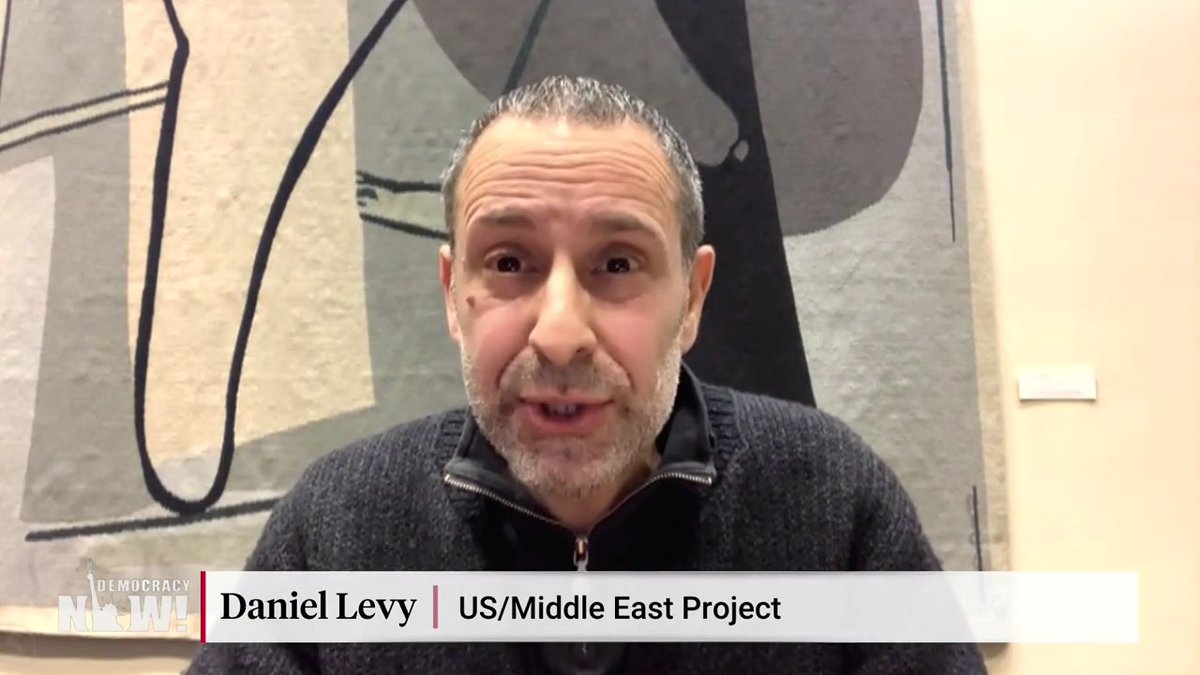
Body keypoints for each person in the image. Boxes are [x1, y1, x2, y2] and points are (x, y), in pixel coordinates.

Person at [187, 75, 985, 674]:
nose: (561, 334)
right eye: (509, 261)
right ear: (453, 296)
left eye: (618, 262)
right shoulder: (335, 528)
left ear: (693, 298)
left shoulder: (832, 502)